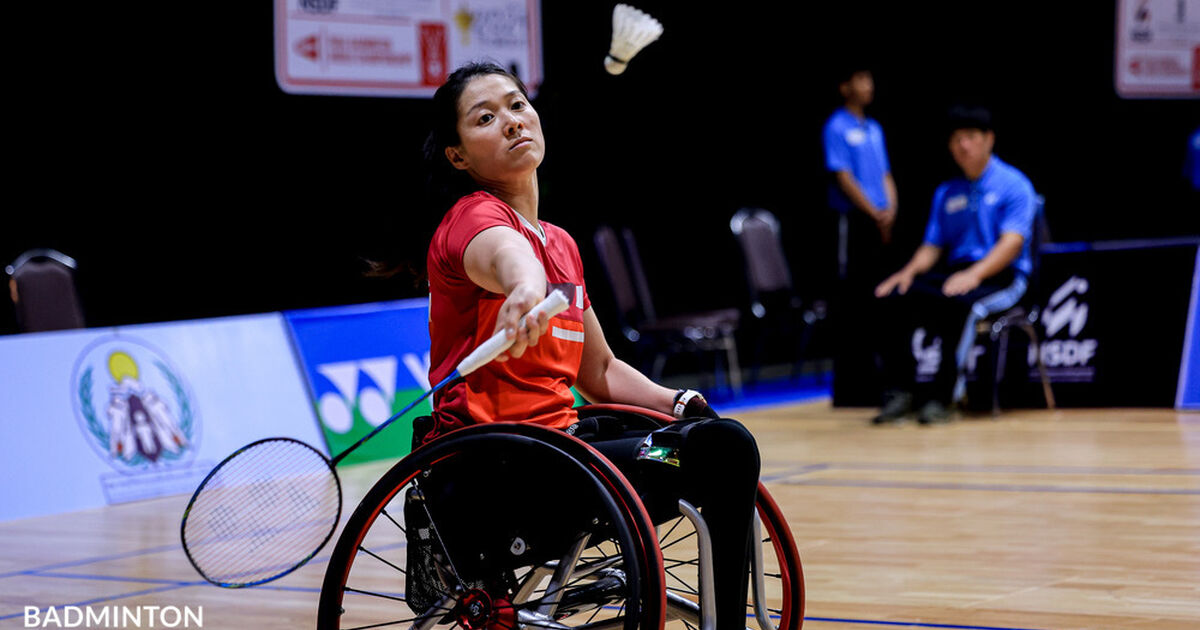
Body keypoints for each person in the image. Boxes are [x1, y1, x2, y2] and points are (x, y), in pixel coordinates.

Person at [418, 61, 760, 629]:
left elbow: (599, 370)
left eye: (517, 105)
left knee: (699, 438)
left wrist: (675, 402)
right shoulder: (472, 219)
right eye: (485, 117)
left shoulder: (561, 244)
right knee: (721, 452)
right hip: (505, 474)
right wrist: (525, 289)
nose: (510, 121)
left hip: (567, 453)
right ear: (458, 155)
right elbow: (508, 258)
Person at [872, 106, 1036, 425]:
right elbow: (932, 246)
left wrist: (975, 274)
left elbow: (1012, 243)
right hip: (955, 271)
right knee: (894, 300)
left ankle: (945, 397)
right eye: (957, 139)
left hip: (1001, 276)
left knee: (960, 307)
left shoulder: (1014, 184)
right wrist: (906, 274)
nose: (964, 146)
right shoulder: (947, 191)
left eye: (971, 138)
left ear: (989, 140)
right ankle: (900, 394)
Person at [823, 64, 900, 406]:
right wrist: (872, 212)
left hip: (882, 222)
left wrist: (890, 210)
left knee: (882, 300)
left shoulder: (874, 128)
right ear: (845, 86)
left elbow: (885, 174)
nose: (868, 85)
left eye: (870, 78)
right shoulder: (836, 127)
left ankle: (886, 379)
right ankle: (853, 388)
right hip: (855, 221)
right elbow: (843, 176)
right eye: (860, 79)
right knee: (855, 302)